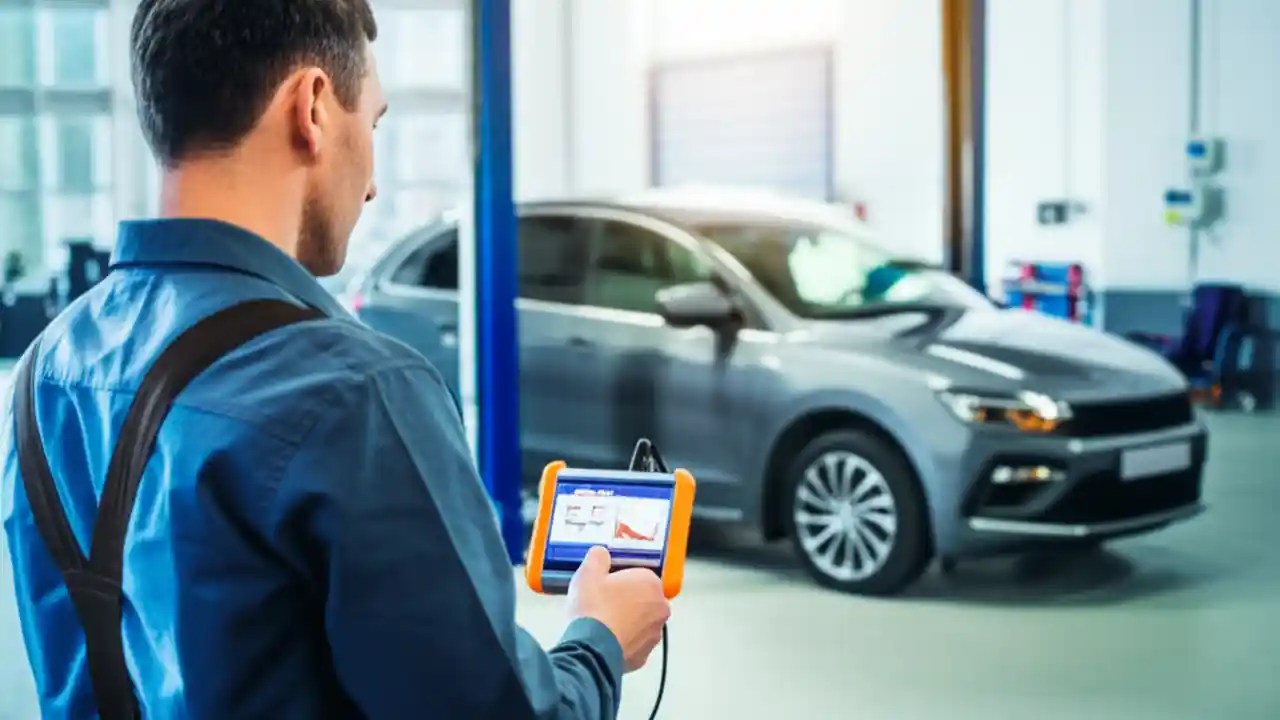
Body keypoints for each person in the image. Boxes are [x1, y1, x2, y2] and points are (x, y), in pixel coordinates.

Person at [0, 1, 670, 718]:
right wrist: (599, 639)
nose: (375, 182)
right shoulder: (358, 393)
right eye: (373, 124)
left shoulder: (46, 370)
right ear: (313, 107)